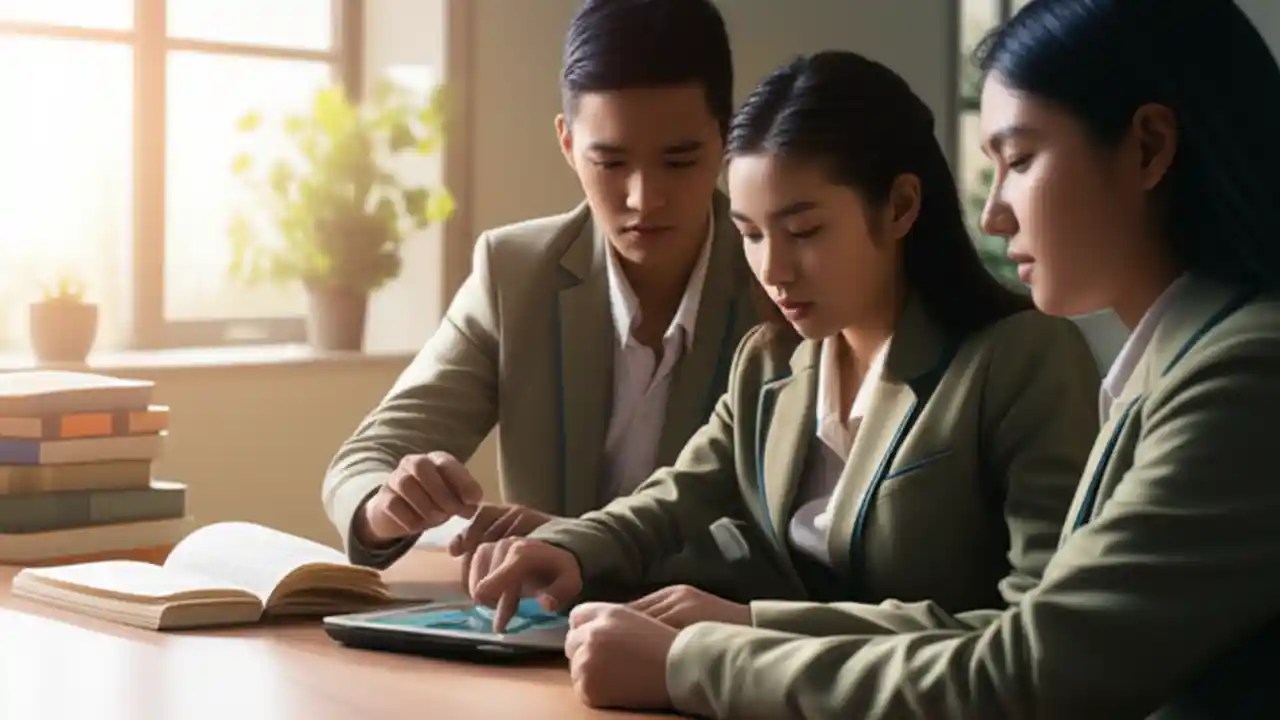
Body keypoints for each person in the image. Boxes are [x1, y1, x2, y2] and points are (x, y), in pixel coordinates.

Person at [474, 0, 1280, 716]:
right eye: (752, 235)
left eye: (1022, 159)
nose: (995, 214)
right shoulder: (1167, 367)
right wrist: (578, 546)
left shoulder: (1238, 377)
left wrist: (702, 657)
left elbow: (1031, 662)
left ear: (1146, 148)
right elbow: (678, 494)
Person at [322, 0, 766, 572]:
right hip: (532, 637)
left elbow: (786, 542)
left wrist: (581, 543)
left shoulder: (778, 288)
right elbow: (365, 459)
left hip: (699, 641)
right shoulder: (515, 273)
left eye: (678, 162)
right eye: (609, 163)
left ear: (727, 140)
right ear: (566, 143)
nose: (643, 198)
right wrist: (388, 503)